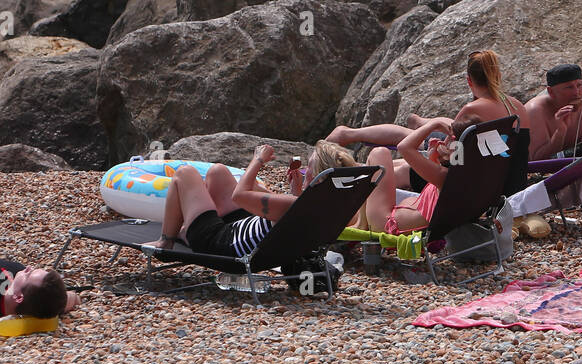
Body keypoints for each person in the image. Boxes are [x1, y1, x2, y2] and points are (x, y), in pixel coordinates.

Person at [322, 49, 526, 188]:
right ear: (496, 75)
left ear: (469, 81)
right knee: (412, 157)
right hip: (508, 181)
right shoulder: (517, 106)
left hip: (471, 181)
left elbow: (453, 159)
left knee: (407, 164)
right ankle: (418, 125)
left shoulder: (471, 109)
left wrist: (439, 152)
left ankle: (351, 152)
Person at [154, 143, 298, 257]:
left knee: (184, 173)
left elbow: (239, 195)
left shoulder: (294, 204)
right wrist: (295, 192)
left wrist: (257, 160)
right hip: (241, 227)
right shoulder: (307, 205)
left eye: (308, 168)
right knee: (218, 171)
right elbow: (269, 202)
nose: (305, 170)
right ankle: (186, 231)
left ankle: (165, 242)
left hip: (219, 242)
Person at [521, 63, 582, 160]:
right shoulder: (535, 110)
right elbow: (537, 161)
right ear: (551, 92)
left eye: (579, 85)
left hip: (570, 170)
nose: (576, 92)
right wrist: (560, 132)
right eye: (569, 87)